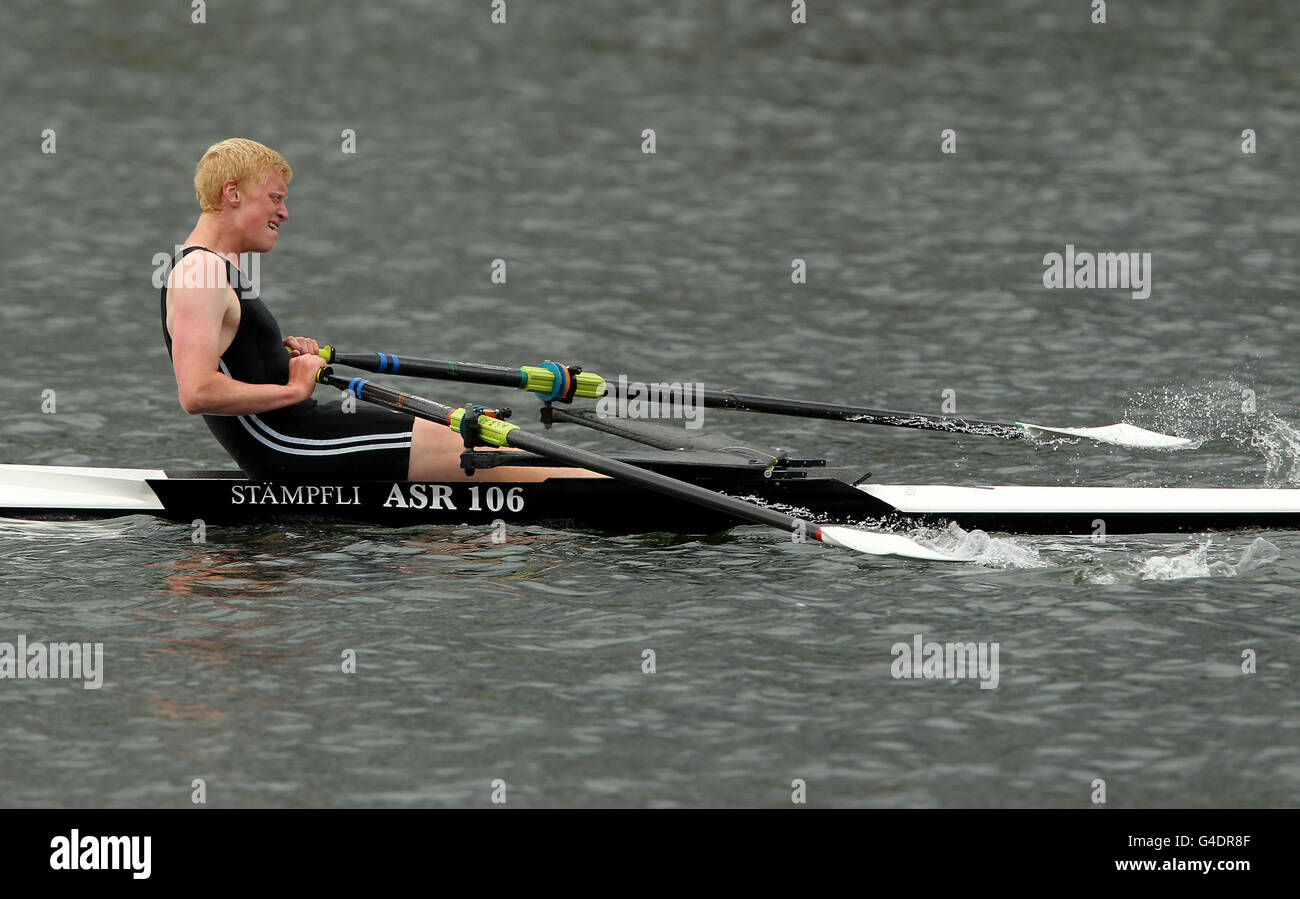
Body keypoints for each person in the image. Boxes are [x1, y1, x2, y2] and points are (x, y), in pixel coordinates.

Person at [161, 138, 591, 482]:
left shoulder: (216, 267)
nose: (285, 212)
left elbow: (234, 357)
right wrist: (293, 388)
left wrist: (288, 358)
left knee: (485, 451)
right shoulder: (199, 273)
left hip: (300, 431)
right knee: (482, 456)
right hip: (289, 446)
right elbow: (196, 392)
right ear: (232, 193)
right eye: (275, 197)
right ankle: (598, 498)